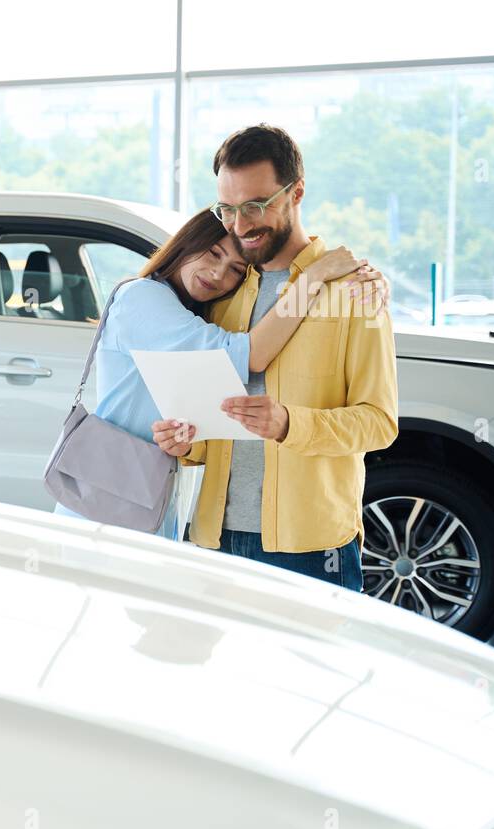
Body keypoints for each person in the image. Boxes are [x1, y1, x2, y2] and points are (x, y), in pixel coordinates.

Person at [153, 123, 398, 590]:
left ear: (296, 192)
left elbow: (379, 423)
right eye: (227, 209)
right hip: (214, 537)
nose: (240, 225)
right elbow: (214, 418)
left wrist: (290, 424)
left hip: (310, 549)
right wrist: (187, 444)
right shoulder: (224, 291)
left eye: (255, 206)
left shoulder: (354, 290)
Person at [53, 207, 378, 540]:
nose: (218, 274)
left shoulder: (191, 312)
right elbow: (249, 355)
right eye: (213, 253)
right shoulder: (142, 298)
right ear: (187, 242)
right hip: (105, 502)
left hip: (144, 498)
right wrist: (313, 276)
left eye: (236, 269)